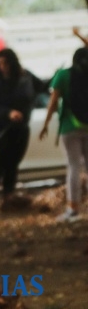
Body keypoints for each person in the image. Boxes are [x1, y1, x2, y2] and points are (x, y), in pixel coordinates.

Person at [40, 46, 88, 222]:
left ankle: (73, 209)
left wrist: (45, 125)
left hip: (69, 127)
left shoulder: (63, 75)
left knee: (74, 166)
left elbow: (53, 102)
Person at [0, 48, 37, 202]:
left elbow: (42, 87)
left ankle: (9, 196)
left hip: (19, 130)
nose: (2, 67)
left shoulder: (24, 77)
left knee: (12, 164)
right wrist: (8, 113)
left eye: (5, 63)